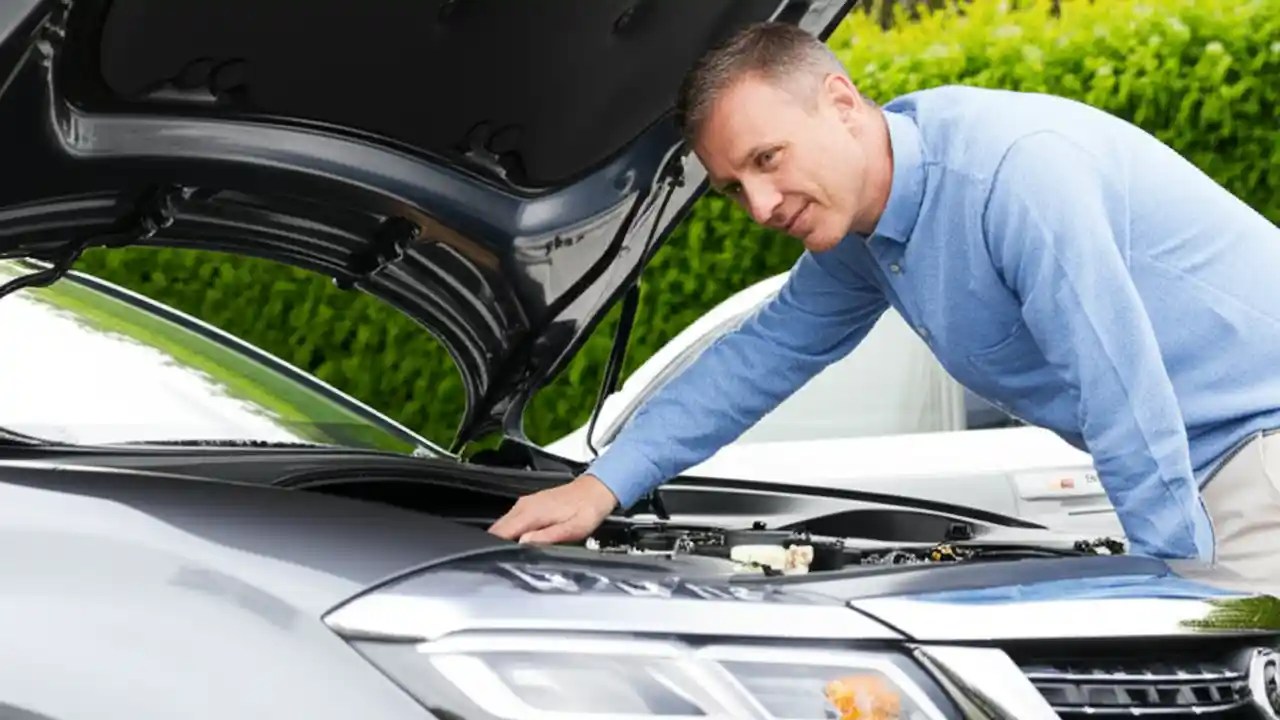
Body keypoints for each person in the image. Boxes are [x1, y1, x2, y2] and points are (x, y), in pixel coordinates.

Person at [487, 21, 1280, 578]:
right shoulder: (864, 240)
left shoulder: (1015, 178)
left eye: (768, 159)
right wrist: (602, 484)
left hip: (1260, 449)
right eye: (735, 188)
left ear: (840, 102)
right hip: (1210, 465)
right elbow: (759, 357)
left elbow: (1121, 391)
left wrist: (1165, 582)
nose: (761, 206)